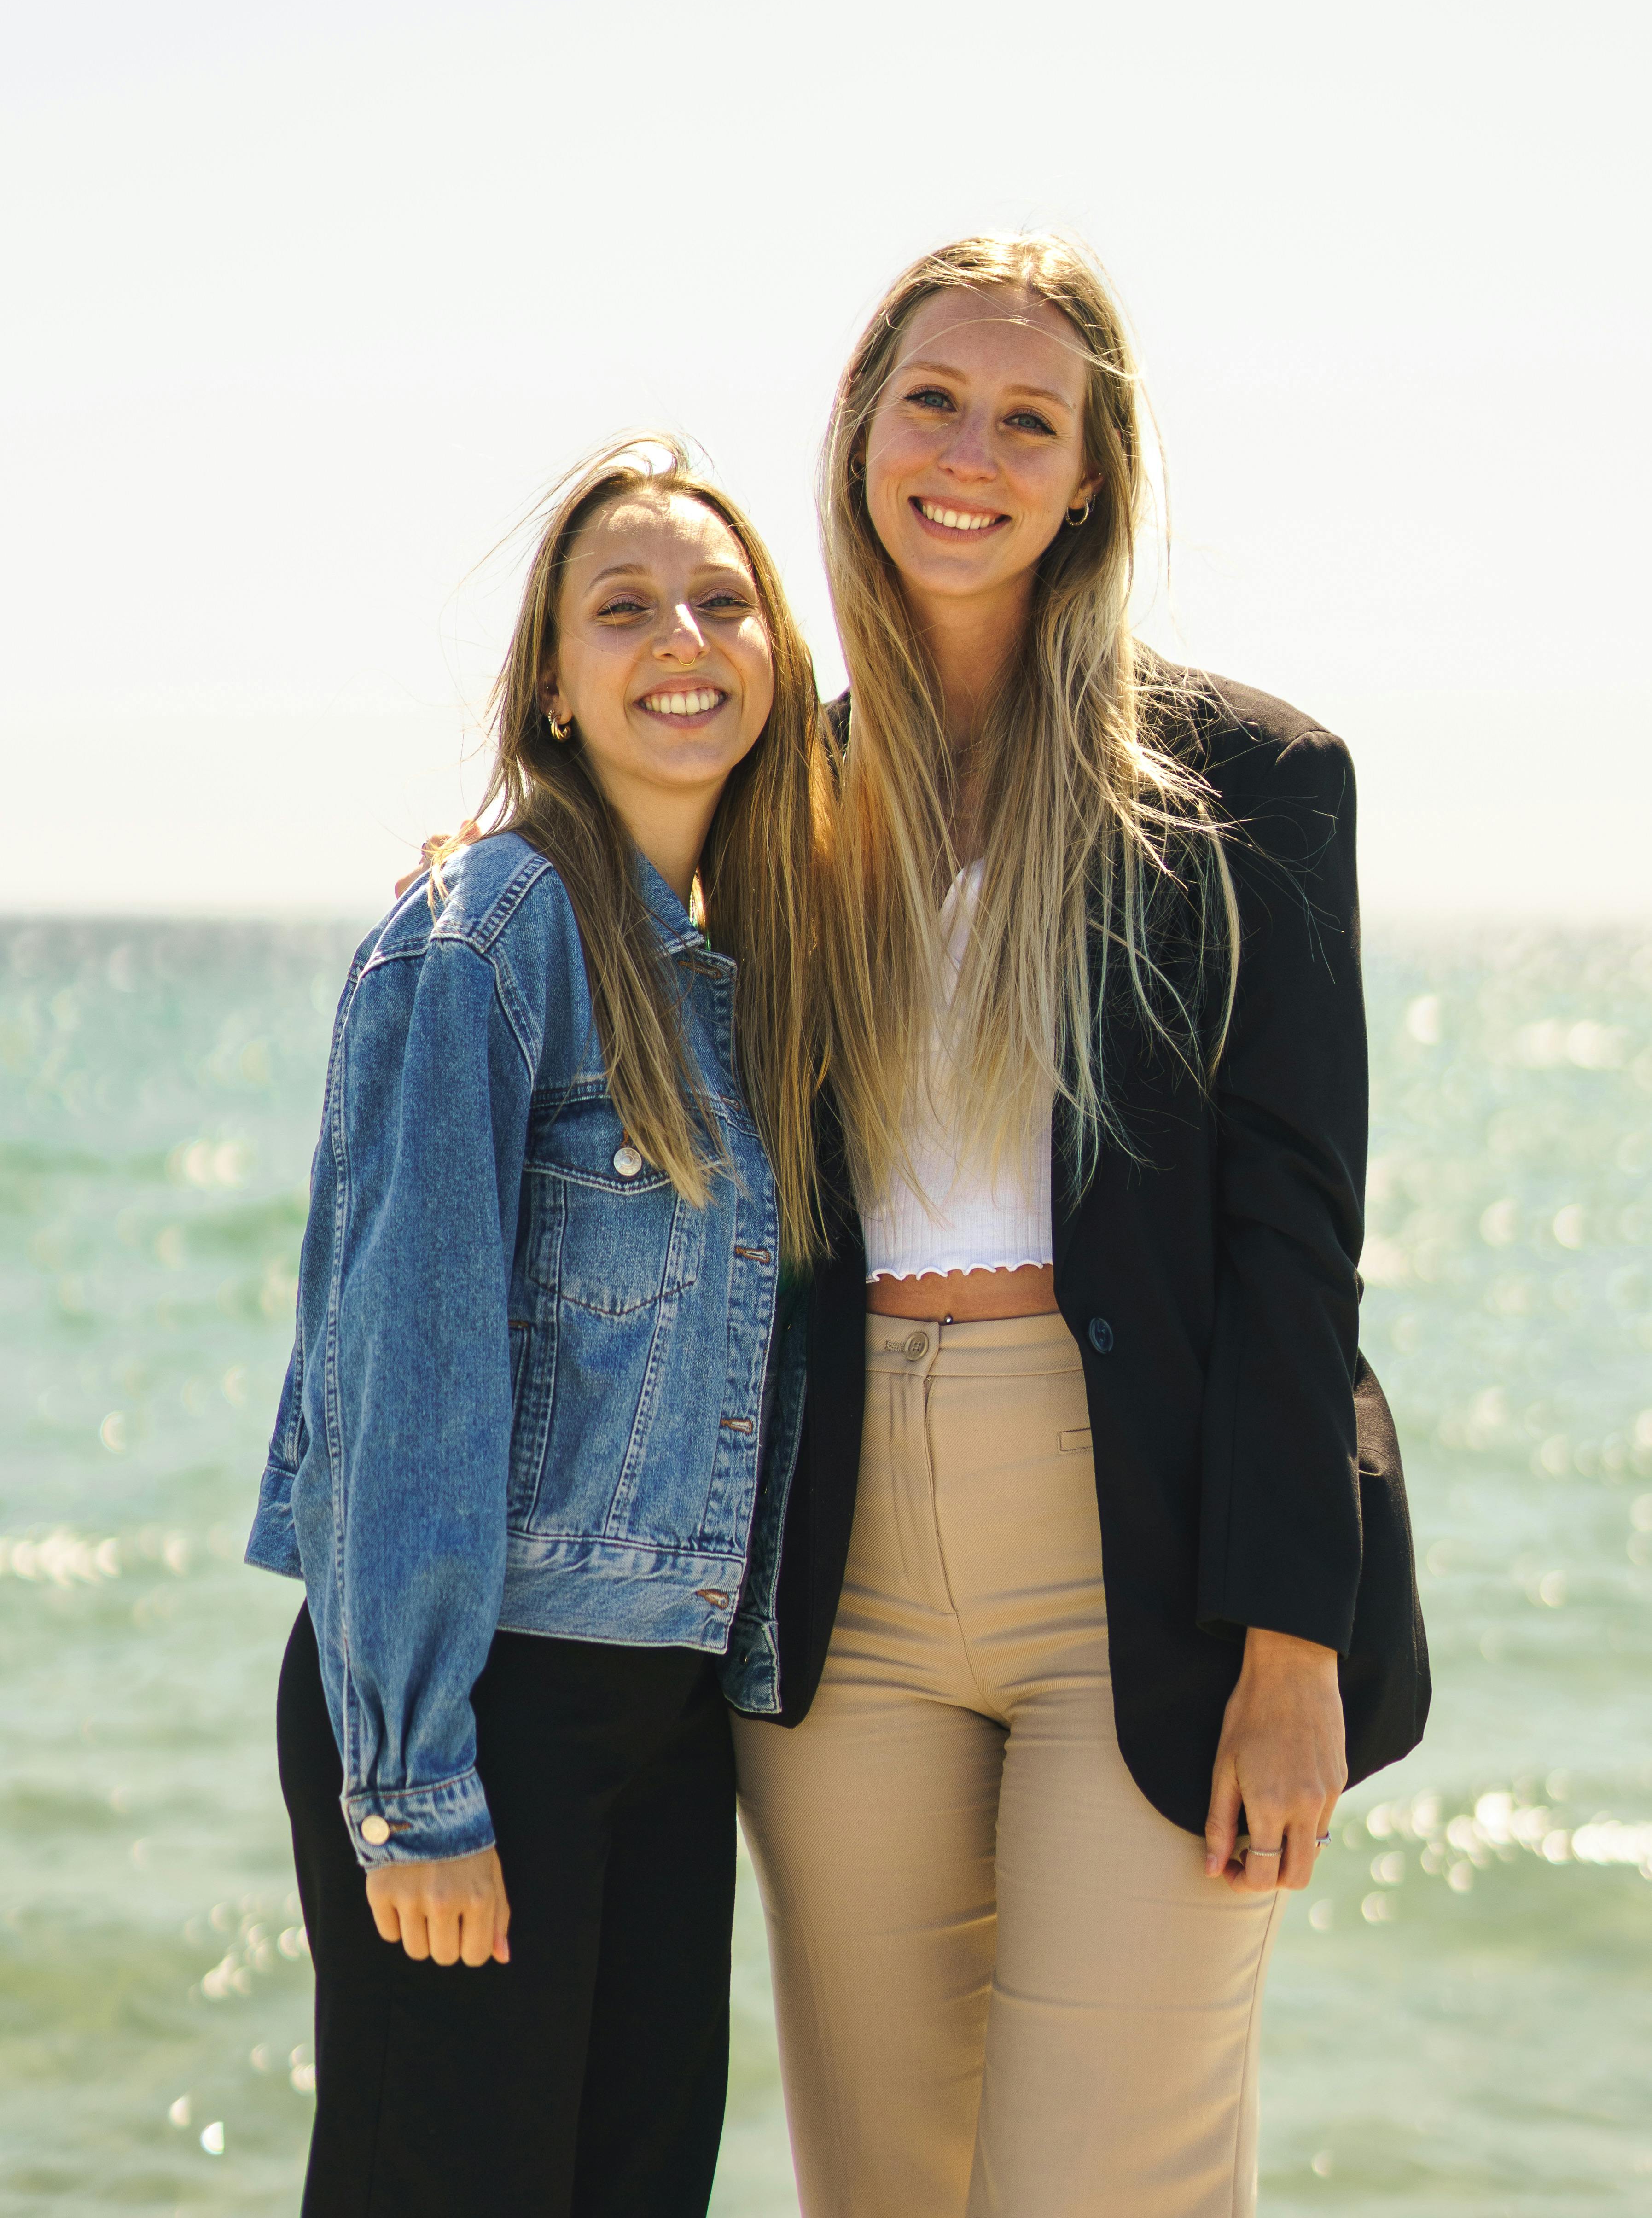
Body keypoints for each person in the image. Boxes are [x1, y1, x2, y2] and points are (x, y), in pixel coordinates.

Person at [732, 235, 1430, 2218]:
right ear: (864, 429)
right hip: (840, 1560)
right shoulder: (791, 790)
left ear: (1093, 474)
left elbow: (1301, 1233)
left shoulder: (1251, 788)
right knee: (883, 2184)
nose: (972, 451)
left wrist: (1292, 1640)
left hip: (1142, 1543)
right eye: (932, 400)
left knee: (1103, 2186)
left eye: (1028, 418)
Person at [245, 439, 831, 2218]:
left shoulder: (746, 975)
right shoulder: (486, 936)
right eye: (624, 605)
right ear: (555, 686)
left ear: (774, 661)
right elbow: (403, 1381)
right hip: (483, 1697)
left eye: (722, 601)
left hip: (666, 1712)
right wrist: (415, 1778)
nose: (682, 636)